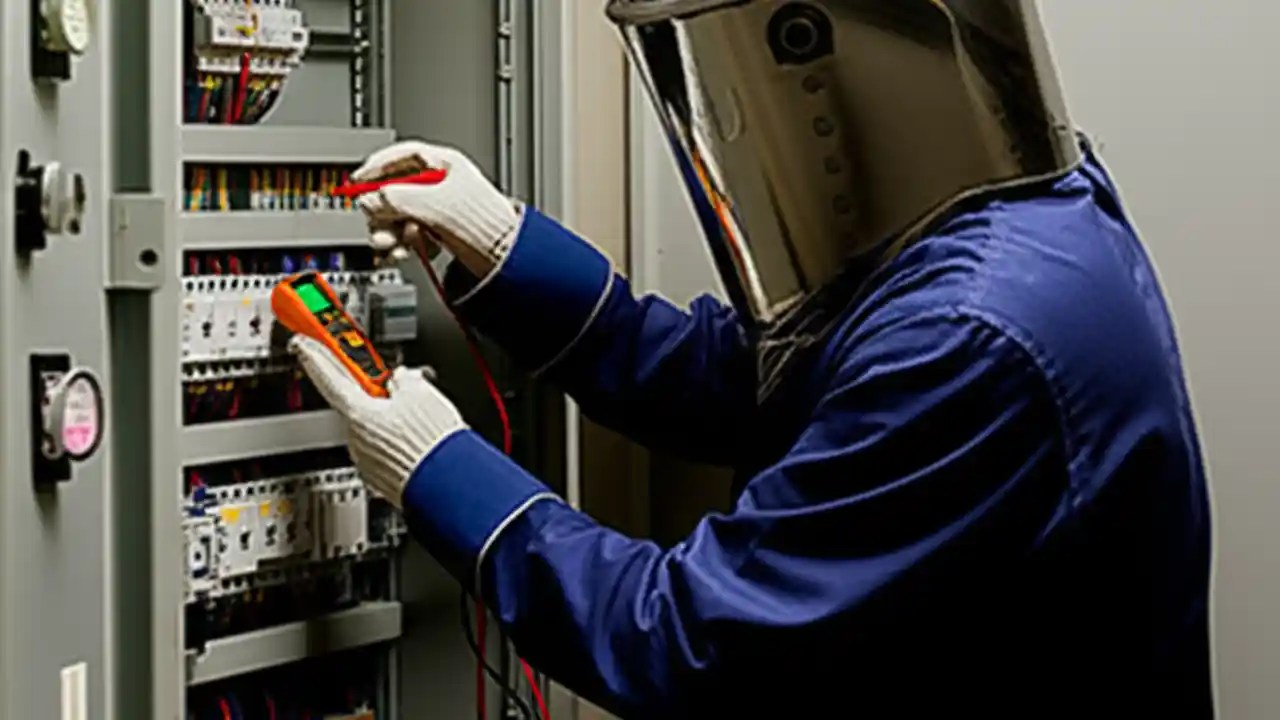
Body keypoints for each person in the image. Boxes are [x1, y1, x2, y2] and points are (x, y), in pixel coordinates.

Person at [292, 1, 1214, 717]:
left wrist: (439, 472)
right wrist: (503, 245)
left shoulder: (973, 332)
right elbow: (756, 377)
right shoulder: (1023, 217)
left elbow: (686, 641)